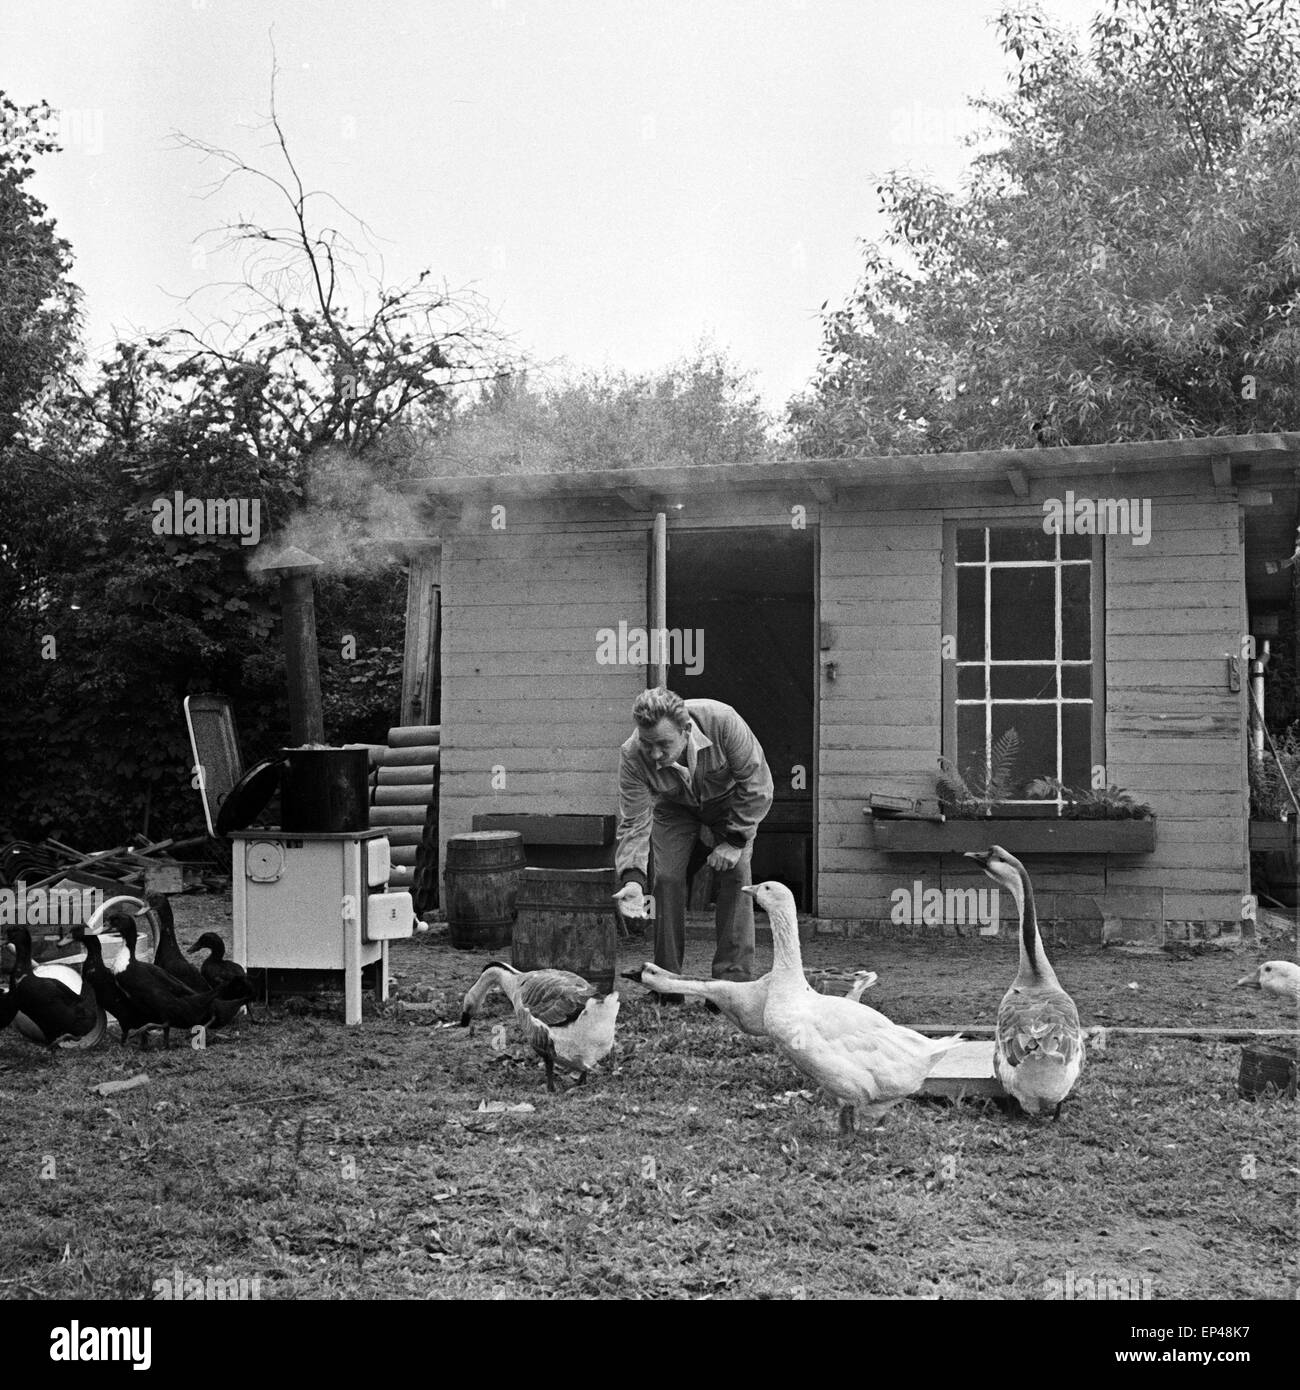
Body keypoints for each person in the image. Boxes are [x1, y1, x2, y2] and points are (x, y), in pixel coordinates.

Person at [613, 688, 773, 989]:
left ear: (686, 731)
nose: (655, 755)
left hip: (730, 803)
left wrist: (735, 841)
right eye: (648, 744)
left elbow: (757, 785)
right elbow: (634, 821)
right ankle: (666, 983)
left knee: (737, 873)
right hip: (674, 807)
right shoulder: (632, 754)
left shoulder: (724, 722)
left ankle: (731, 985)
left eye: (663, 744)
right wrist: (633, 880)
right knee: (667, 878)